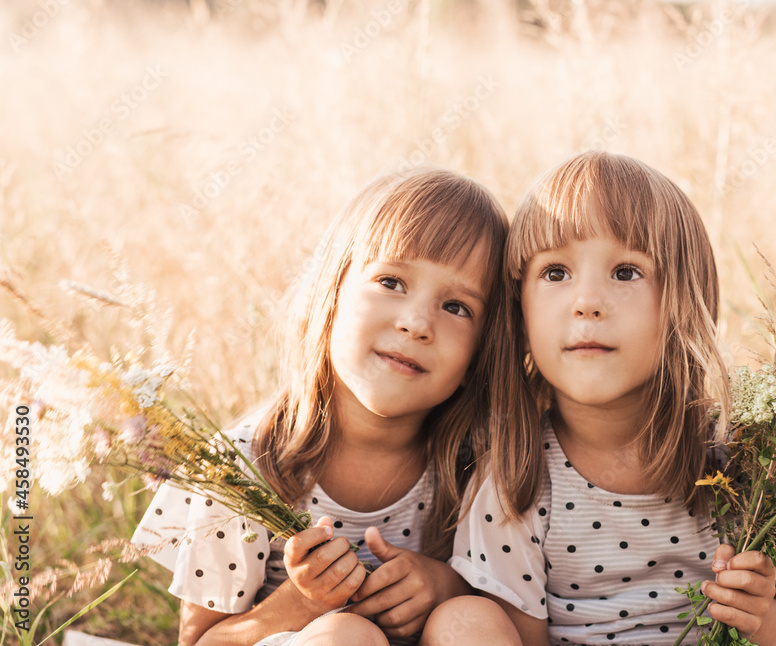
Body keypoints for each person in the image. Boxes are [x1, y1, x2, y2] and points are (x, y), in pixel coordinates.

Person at [448, 151, 776, 645]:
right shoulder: (514, 479)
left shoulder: (757, 462)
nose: (586, 302)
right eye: (555, 272)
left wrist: (763, 617)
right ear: (520, 313)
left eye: (626, 272)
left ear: (685, 304)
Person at [133, 167, 516, 646]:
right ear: (331, 293)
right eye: (392, 281)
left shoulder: (478, 462)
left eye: (457, 306)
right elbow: (201, 642)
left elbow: (510, 603)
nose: (417, 323)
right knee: (344, 635)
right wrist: (303, 603)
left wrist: (443, 584)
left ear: (483, 350)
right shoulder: (243, 464)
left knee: (473, 619)